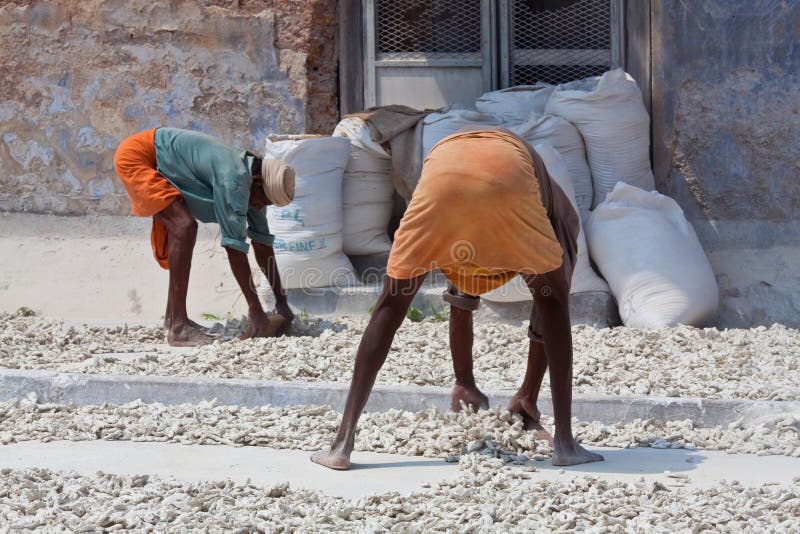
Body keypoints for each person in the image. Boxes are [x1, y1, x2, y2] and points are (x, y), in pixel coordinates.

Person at [311, 127, 603, 469]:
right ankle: (565, 444)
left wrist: (464, 380)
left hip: (439, 178)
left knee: (389, 307)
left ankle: (341, 444)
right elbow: (552, 303)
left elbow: (463, 281)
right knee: (551, 299)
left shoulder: (465, 171)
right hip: (507, 176)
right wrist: (529, 393)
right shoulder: (560, 209)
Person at [114, 128, 295, 346]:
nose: (257, 206)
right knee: (184, 227)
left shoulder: (257, 185)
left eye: (264, 205)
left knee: (182, 226)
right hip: (137, 156)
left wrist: (282, 303)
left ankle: (173, 319)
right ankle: (179, 329)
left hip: (160, 153)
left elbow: (262, 243)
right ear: (257, 182)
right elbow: (235, 248)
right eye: (260, 201)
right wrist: (256, 311)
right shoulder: (235, 180)